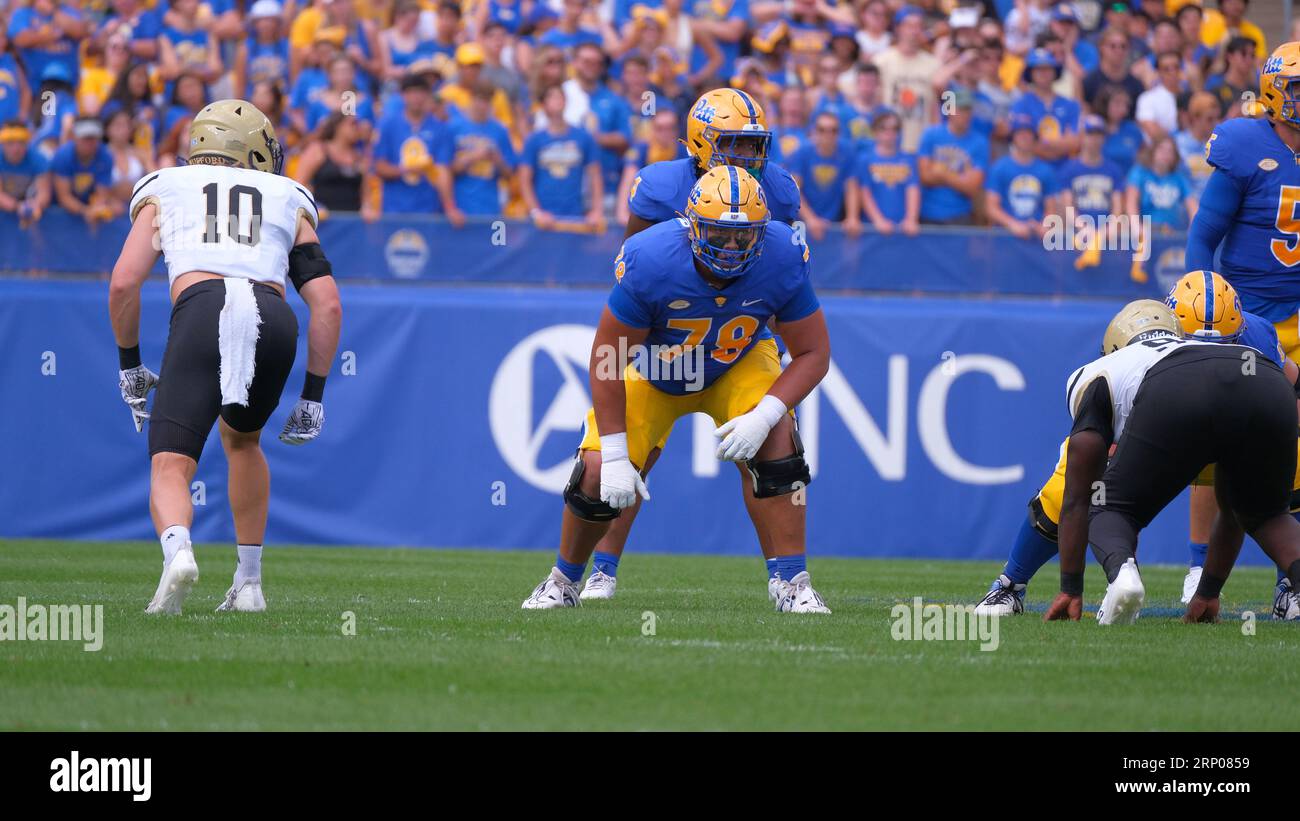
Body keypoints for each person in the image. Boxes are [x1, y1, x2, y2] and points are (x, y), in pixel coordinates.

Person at [519, 165, 832, 612]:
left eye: (743, 237)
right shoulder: (651, 258)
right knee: (592, 477)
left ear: (763, 232)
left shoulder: (783, 254)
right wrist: (612, 453)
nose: (730, 247)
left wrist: (764, 415)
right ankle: (562, 581)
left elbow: (813, 353)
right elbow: (607, 355)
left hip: (736, 361)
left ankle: (792, 582)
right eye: (719, 234)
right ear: (692, 227)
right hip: (656, 369)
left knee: (779, 444)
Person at [108, 99, 342, 615]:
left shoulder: (165, 186)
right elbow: (326, 303)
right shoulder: (289, 196)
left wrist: (129, 363)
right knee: (243, 441)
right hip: (273, 315)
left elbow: (125, 281)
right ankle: (250, 582)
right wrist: (314, 395)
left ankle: (178, 553)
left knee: (170, 461)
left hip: (202, 310)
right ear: (253, 148)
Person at [974, 275, 1300, 622]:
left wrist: (1071, 586)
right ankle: (1011, 583)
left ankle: (1044, 581)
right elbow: (1288, 389)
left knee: (1099, 497)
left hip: (1176, 426)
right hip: (1239, 415)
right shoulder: (1251, 340)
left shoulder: (1111, 368)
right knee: (1266, 509)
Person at [519, 83, 603, 230]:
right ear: (543, 105)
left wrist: (596, 211)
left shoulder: (583, 137)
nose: (557, 100)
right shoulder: (534, 140)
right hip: (544, 220)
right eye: (551, 97)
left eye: (560, 96)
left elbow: (595, 175)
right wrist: (536, 212)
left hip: (576, 216)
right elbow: (524, 179)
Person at [916, 87, 988, 226]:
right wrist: (959, 178)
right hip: (927, 213)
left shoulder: (980, 142)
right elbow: (924, 177)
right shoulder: (931, 135)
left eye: (968, 110)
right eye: (960, 109)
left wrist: (942, 172)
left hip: (960, 215)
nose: (965, 114)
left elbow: (972, 187)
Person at [985, 112, 1058, 240]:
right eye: (1020, 132)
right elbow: (991, 208)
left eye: (1028, 133)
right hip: (1005, 239)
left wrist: (1044, 226)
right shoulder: (1000, 167)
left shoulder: (1045, 170)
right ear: (1013, 137)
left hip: (1036, 239)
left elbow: (1051, 208)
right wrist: (1013, 224)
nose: (1024, 137)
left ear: (1034, 137)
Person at [854, 108, 919, 235]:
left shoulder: (908, 160)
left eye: (895, 128)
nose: (890, 132)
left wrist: (911, 219)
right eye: (883, 128)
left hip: (902, 230)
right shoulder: (865, 159)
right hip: (871, 230)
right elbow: (864, 192)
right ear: (875, 131)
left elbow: (912, 189)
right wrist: (878, 221)